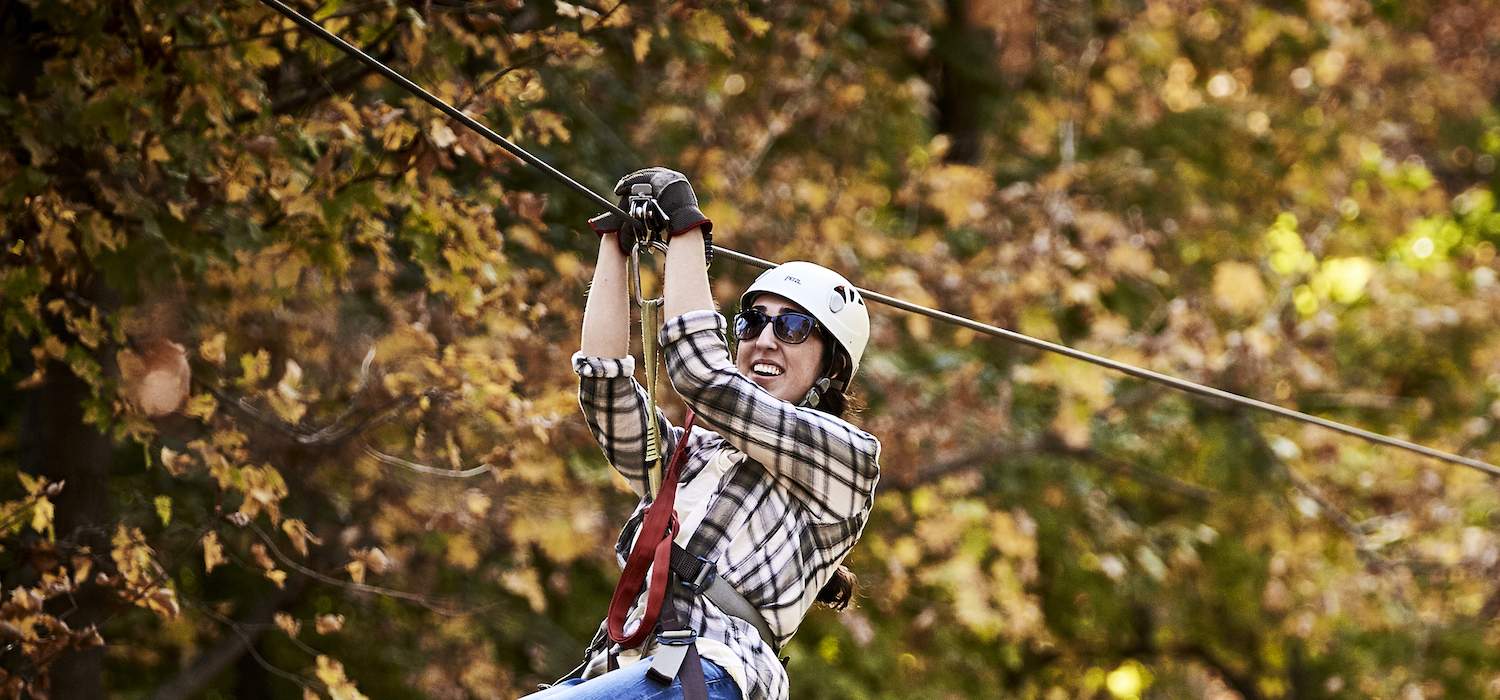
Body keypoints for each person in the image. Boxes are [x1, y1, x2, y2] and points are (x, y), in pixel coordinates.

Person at [529, 168, 881, 700]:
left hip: (714, 672)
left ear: (830, 367)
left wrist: (686, 229)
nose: (765, 340)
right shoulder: (689, 457)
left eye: (792, 328)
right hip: (627, 667)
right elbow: (605, 390)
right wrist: (616, 245)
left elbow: (702, 376)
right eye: (753, 322)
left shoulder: (848, 461)